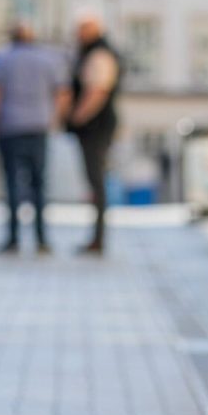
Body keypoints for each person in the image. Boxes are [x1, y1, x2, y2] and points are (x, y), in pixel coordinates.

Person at [0, 23, 69, 255]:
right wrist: (54, 120)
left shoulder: (1, 58)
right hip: (39, 127)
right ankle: (42, 239)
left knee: (11, 184)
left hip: (9, 127)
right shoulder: (49, 59)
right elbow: (62, 94)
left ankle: (13, 239)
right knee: (39, 185)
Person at [67, 15, 121, 255]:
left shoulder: (99, 54)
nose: (77, 35)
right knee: (95, 181)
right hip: (95, 125)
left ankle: (98, 238)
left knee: (96, 181)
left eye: (81, 30)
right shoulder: (93, 52)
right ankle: (96, 237)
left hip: (96, 127)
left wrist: (76, 117)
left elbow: (98, 91)